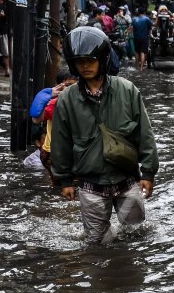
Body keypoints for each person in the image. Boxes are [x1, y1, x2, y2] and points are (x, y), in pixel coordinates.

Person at [50, 27, 158, 244]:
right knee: (97, 243)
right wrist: (65, 181)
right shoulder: (67, 99)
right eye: (79, 61)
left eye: (90, 60)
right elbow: (60, 142)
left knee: (136, 237)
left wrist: (148, 173)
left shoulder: (127, 90)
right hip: (91, 184)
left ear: (102, 59)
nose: (85, 66)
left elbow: (144, 133)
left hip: (127, 180)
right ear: (73, 63)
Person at [131, 7, 152, 71]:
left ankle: (137, 66)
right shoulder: (147, 19)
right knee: (143, 52)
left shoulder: (134, 19)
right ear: (144, 12)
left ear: (138, 12)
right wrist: (150, 35)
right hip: (144, 38)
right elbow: (150, 28)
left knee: (137, 51)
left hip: (136, 37)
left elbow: (131, 28)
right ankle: (141, 67)